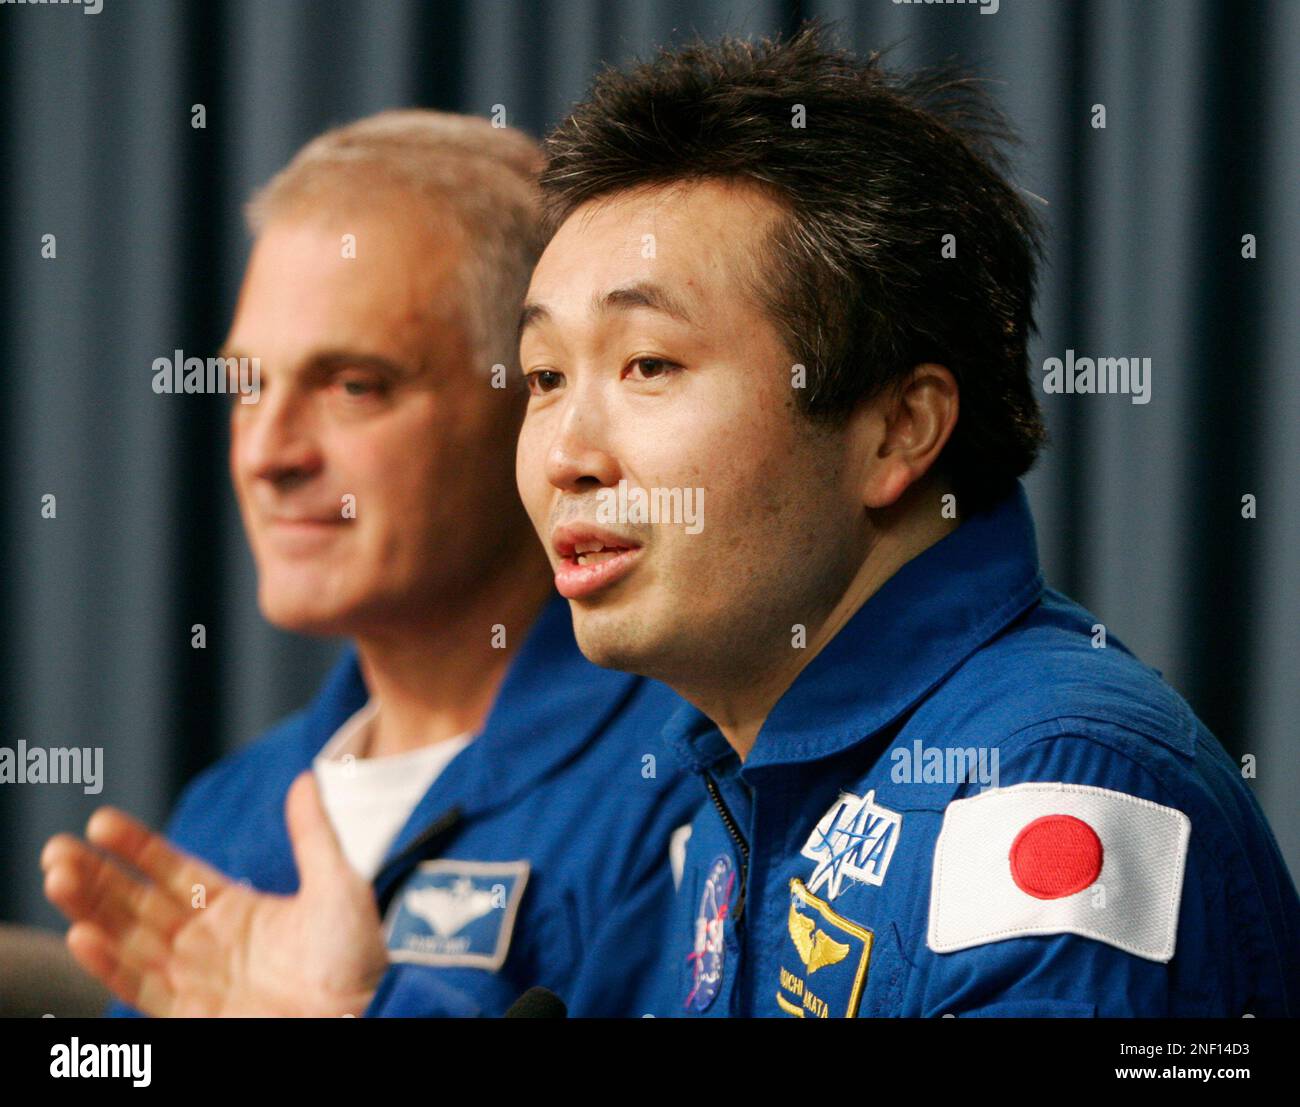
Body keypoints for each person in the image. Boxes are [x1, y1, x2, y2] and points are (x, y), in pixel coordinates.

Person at [514, 28, 1300, 1017]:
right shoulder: (733, 775)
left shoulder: (1048, 781)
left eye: (649, 366)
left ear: (896, 430)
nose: (562, 457)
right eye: (544, 378)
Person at [41, 110, 698, 1018]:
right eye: (247, 387)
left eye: (355, 386)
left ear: (534, 399)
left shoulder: (689, 775)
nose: (268, 454)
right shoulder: (228, 811)